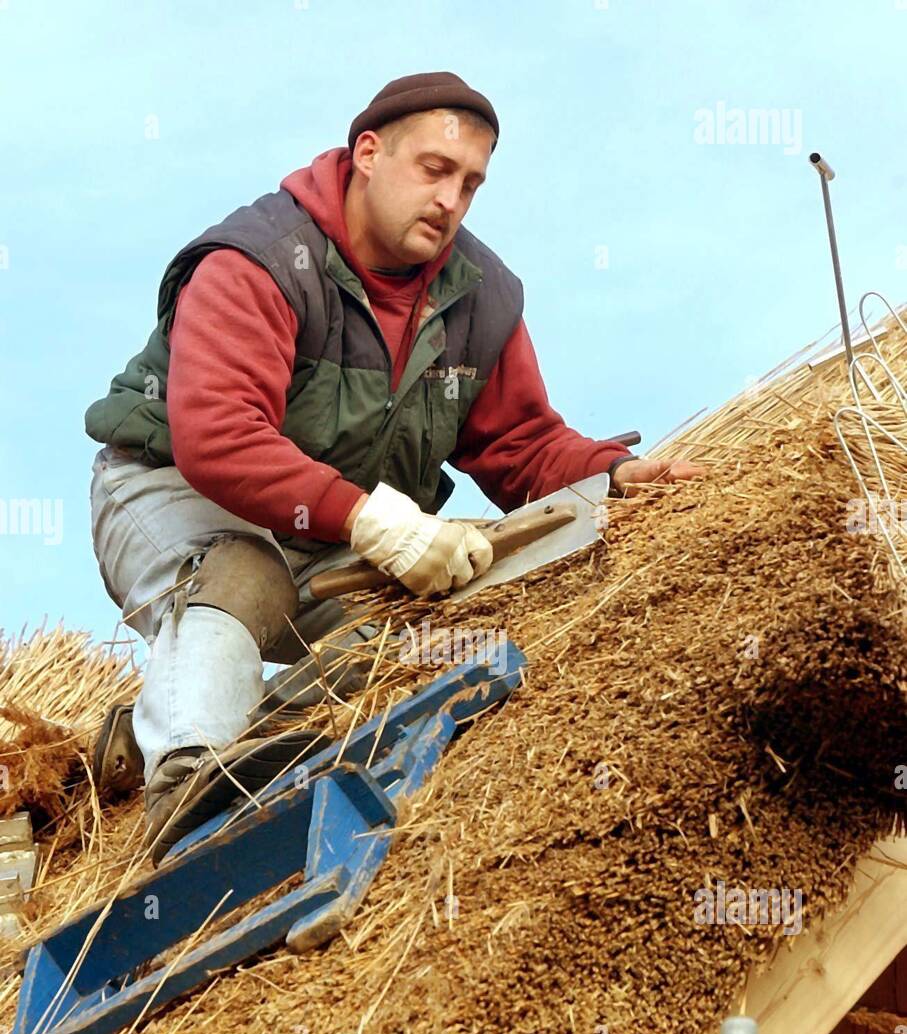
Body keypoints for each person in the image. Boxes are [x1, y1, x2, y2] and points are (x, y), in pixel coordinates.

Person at [86, 70, 699, 862]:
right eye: (434, 170)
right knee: (243, 572)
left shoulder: (476, 300)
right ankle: (190, 791)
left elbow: (518, 442)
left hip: (328, 525)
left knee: (406, 640)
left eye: (471, 184)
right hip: (172, 489)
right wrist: (373, 519)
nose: (450, 200)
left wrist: (606, 472)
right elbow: (218, 439)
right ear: (367, 153)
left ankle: (157, 739)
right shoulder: (261, 260)